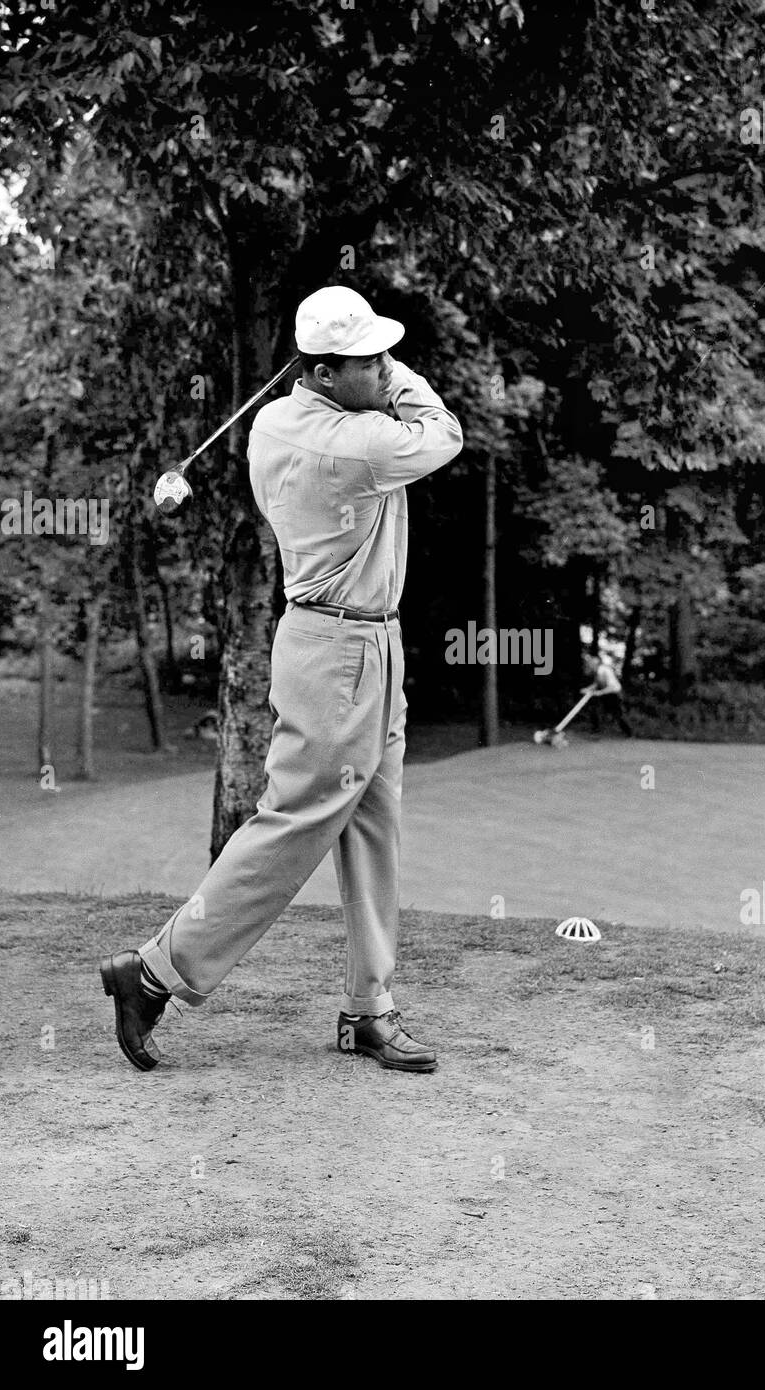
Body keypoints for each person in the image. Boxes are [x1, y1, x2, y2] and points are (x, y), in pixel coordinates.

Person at [100, 286, 463, 1075]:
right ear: (325, 373)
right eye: (369, 358)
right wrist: (396, 376)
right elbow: (444, 431)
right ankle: (155, 969)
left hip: (357, 642)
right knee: (296, 821)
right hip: (340, 650)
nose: (384, 367)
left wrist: (360, 365)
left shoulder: (274, 420)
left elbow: (376, 405)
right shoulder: (358, 443)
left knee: (373, 824)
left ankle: (371, 1007)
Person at [582, 652, 633, 737]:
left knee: (617, 715)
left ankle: (629, 733)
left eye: (590, 665)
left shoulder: (605, 670)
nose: (589, 666)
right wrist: (587, 689)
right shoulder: (597, 672)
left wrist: (599, 693)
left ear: (595, 664)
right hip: (605, 693)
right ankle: (595, 731)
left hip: (615, 694)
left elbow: (612, 687)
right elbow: (596, 684)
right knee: (594, 709)